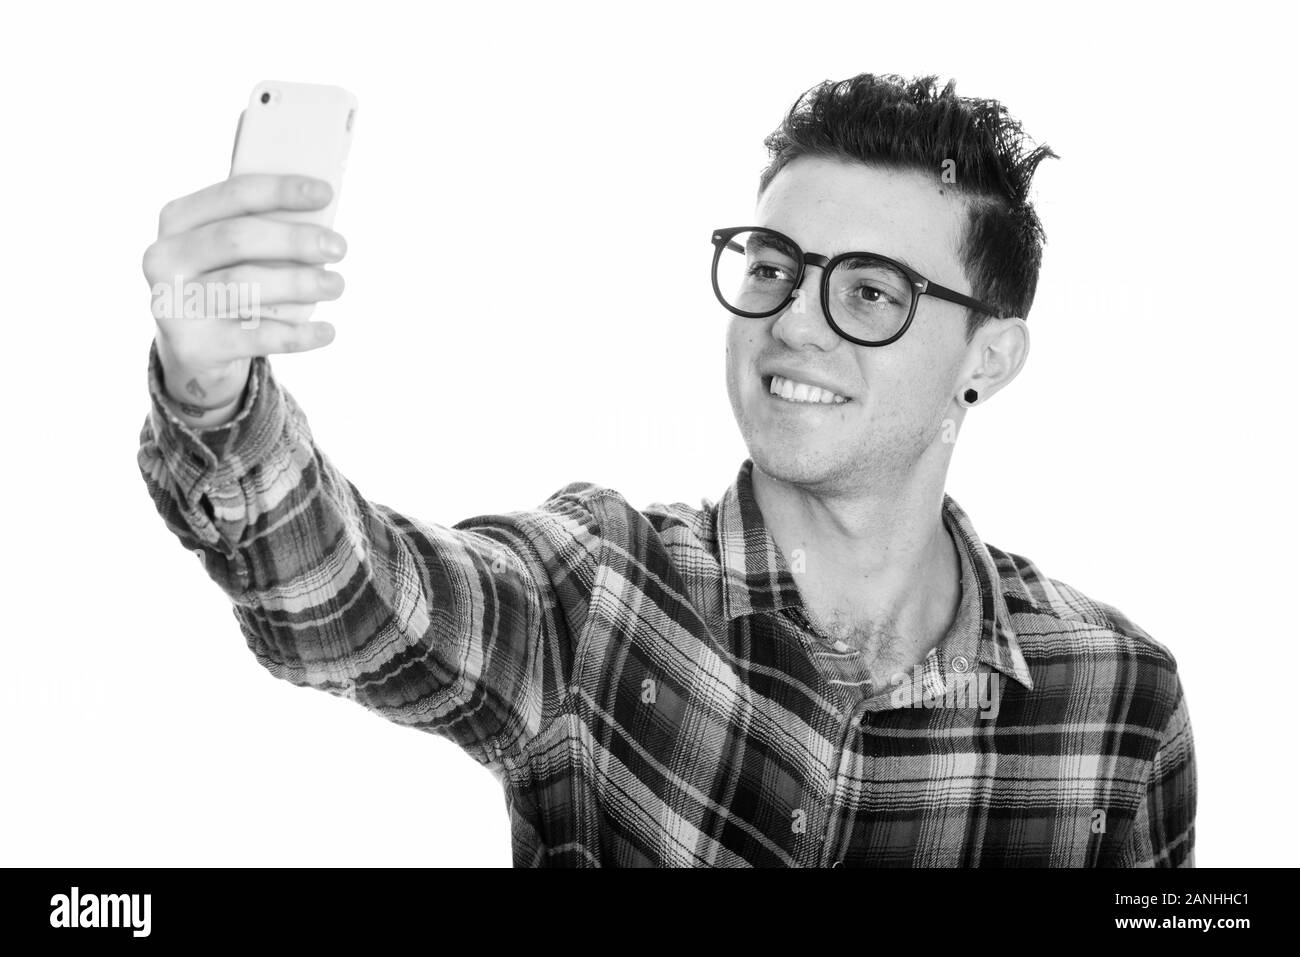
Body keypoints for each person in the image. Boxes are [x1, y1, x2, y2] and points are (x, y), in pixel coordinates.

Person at [137, 72, 1196, 867]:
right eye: (775, 268)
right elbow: (356, 600)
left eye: (870, 293)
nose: (790, 323)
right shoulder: (599, 589)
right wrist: (214, 393)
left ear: (989, 359)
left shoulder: (1117, 697)